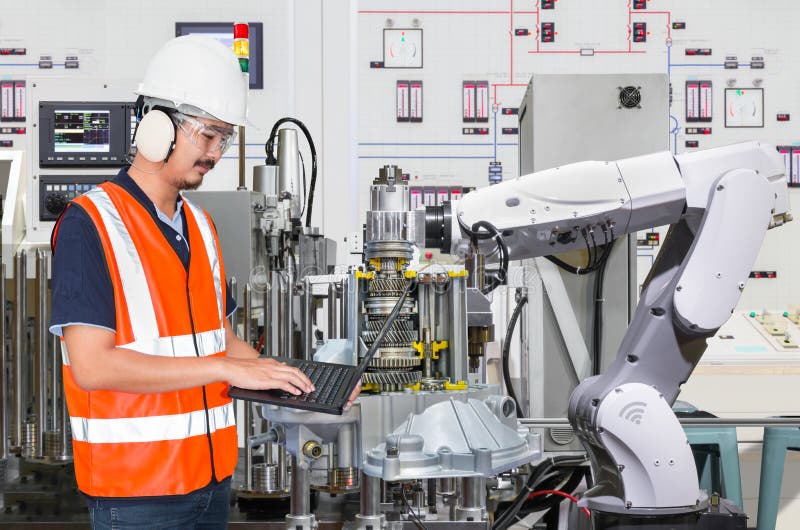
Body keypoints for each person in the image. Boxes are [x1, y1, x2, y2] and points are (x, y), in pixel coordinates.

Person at [49, 35, 359, 529]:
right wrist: (224, 369)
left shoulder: (201, 226)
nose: (216, 153)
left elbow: (222, 339)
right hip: (137, 493)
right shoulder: (90, 224)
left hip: (212, 483)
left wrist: (294, 382)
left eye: (225, 139)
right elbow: (92, 366)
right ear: (157, 127)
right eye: (207, 135)